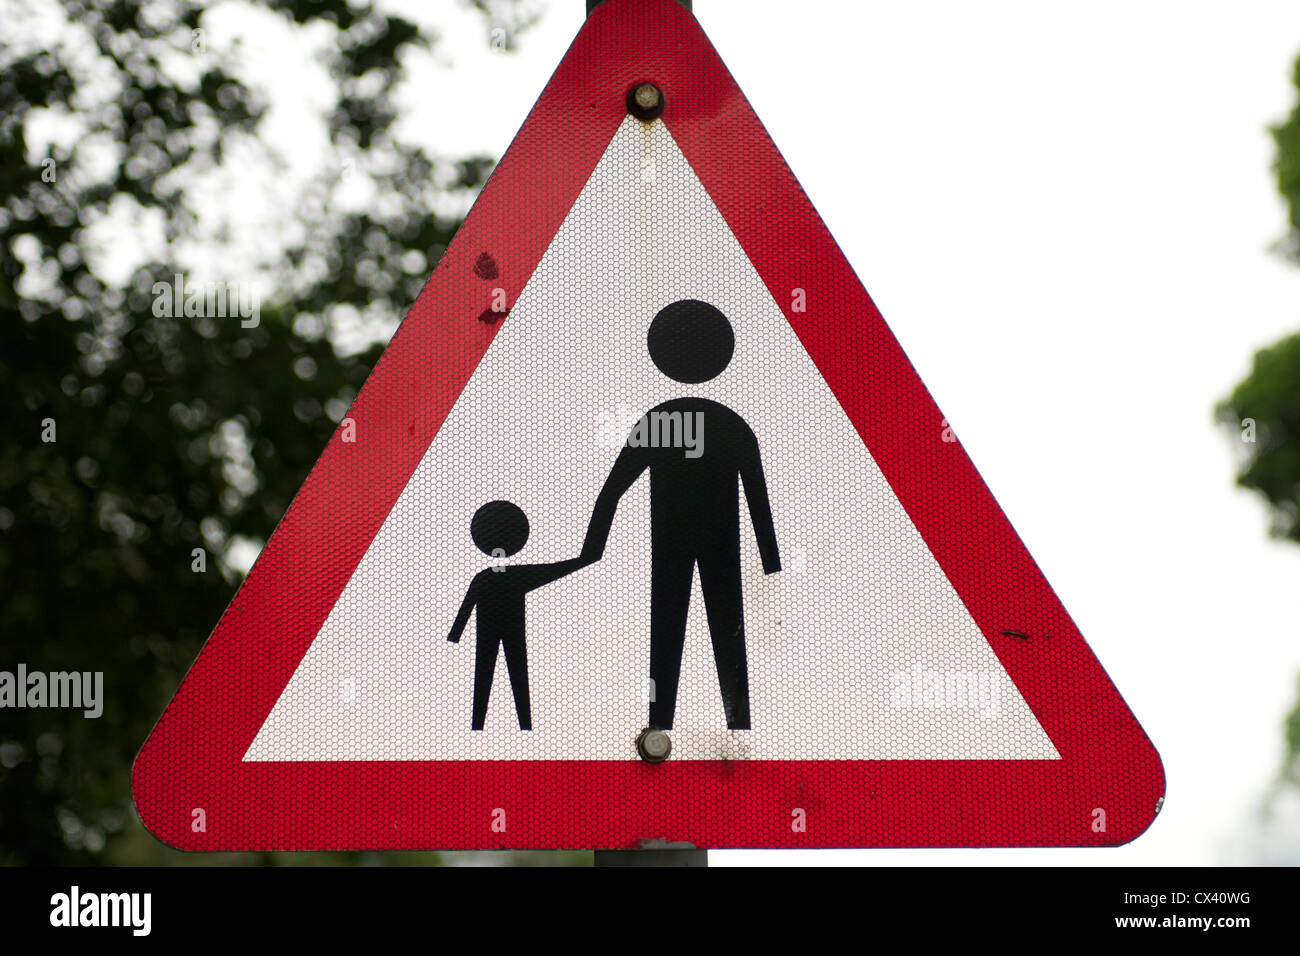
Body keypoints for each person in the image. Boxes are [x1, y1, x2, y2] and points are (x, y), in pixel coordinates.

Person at [582, 299, 780, 731]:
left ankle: (664, 730)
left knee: (672, 633)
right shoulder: (730, 424)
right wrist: (771, 563)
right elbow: (758, 499)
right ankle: (737, 725)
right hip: (713, 546)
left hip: (679, 546)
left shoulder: (660, 421)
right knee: (726, 633)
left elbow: (612, 492)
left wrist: (592, 550)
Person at [447, 500, 591, 730]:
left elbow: (551, 570)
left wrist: (455, 634)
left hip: (508, 631)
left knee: (515, 674)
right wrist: (455, 633)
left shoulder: (497, 576)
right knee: (487, 674)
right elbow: (467, 605)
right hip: (492, 632)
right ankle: (482, 725)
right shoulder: (495, 576)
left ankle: (522, 725)